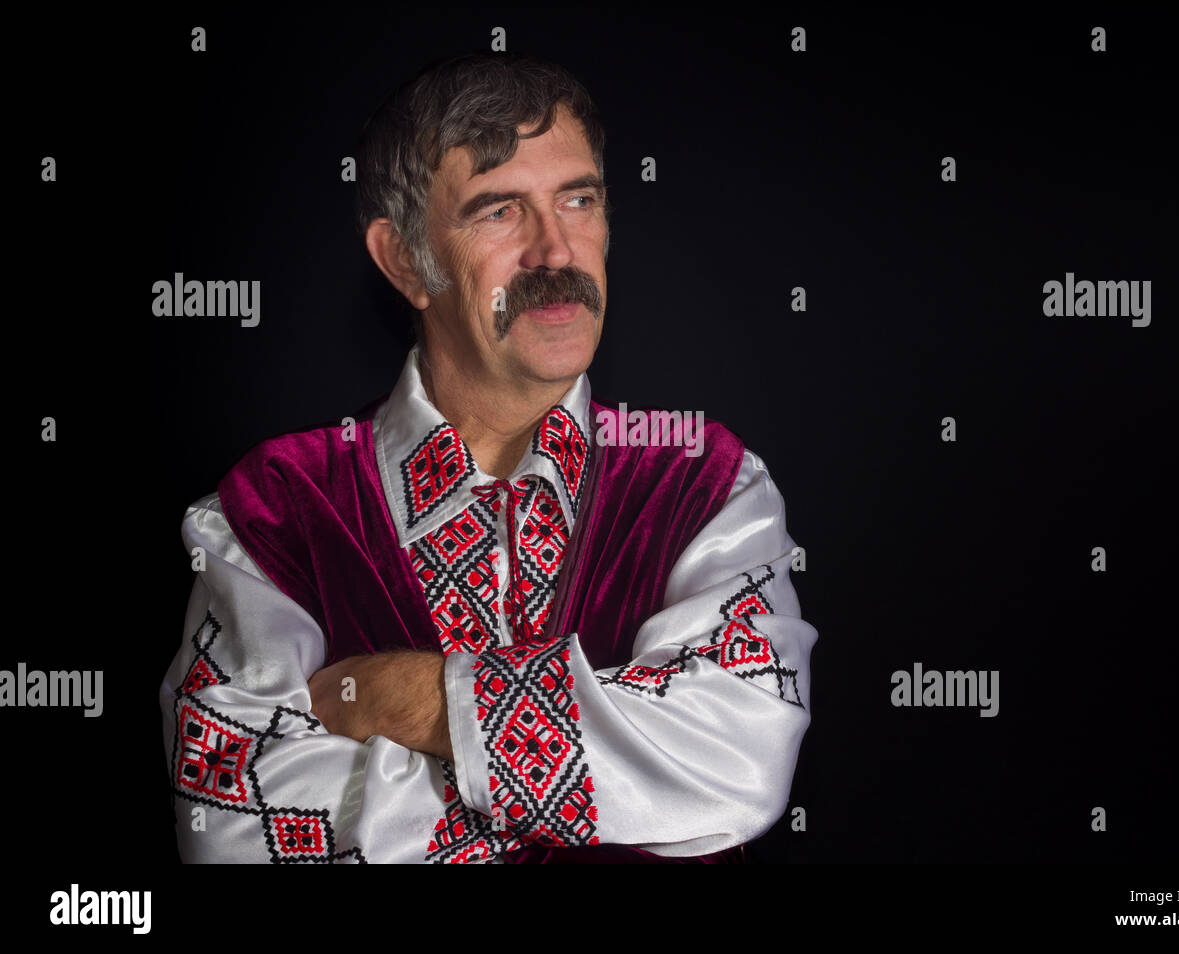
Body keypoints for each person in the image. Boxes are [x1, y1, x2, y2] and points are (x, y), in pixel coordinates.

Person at [158, 51, 816, 863]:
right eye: (498, 211)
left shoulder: (705, 483)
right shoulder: (272, 510)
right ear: (405, 260)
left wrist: (413, 699)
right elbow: (229, 820)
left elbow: (737, 759)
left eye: (578, 200)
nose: (555, 251)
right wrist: (624, 780)